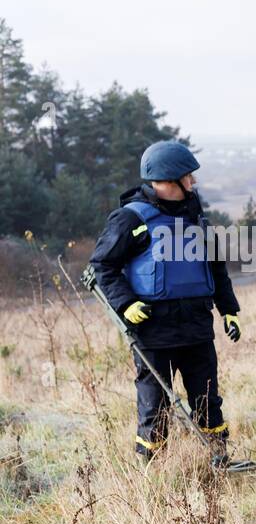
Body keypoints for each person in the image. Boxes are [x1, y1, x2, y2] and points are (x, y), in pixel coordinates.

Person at [89, 141, 242, 464]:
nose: (194, 183)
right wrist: (126, 303)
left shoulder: (196, 218)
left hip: (197, 328)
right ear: (169, 179)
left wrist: (230, 311)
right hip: (153, 330)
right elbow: (102, 265)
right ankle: (153, 469)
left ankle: (218, 459)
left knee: (207, 398)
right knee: (155, 404)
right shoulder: (131, 219)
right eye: (189, 176)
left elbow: (215, 268)